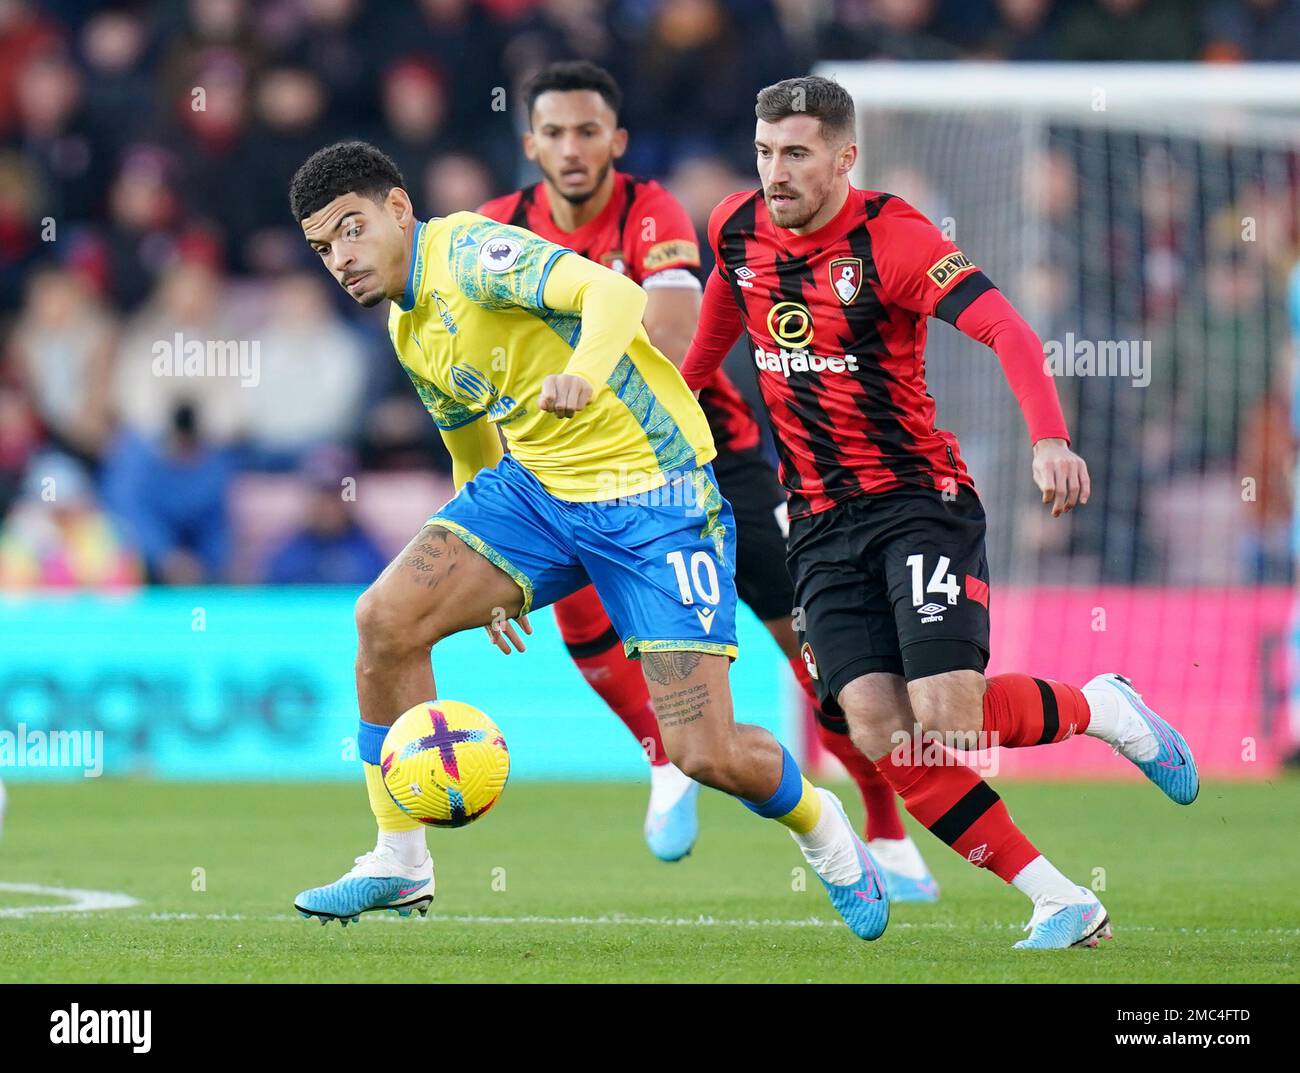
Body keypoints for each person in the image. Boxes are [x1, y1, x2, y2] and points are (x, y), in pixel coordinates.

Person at [286, 140, 890, 939]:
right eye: (324, 247)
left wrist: (587, 372)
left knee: (704, 751)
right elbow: (470, 448)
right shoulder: (408, 327)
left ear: (399, 209)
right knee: (384, 620)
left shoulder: (471, 253)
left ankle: (825, 829)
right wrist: (489, 566)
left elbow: (610, 292)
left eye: (351, 230)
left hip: (657, 496)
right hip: (536, 493)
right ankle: (399, 859)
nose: (341, 258)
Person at [678, 76, 1200, 949]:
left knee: (949, 712)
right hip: (814, 524)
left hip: (917, 503)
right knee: (884, 730)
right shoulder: (735, 230)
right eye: (766, 152)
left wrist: (1049, 439)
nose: (776, 173)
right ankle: (1059, 898)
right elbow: (703, 356)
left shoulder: (896, 239)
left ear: (846, 157)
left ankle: (1105, 707)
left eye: (797, 153)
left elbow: (1010, 331)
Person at [477, 59, 936, 896]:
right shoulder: (497, 228)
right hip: (576, 465)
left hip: (710, 458)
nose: (572, 149)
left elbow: (678, 328)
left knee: (811, 651)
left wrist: (576, 370)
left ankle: (884, 827)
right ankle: (663, 757)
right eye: (555, 133)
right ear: (530, 143)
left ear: (615, 141)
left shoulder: (651, 212)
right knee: (576, 605)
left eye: (588, 132)